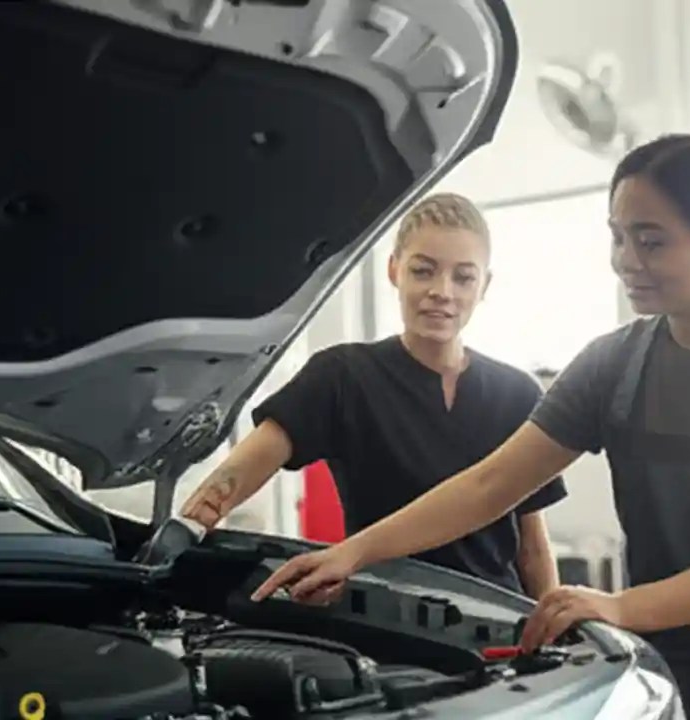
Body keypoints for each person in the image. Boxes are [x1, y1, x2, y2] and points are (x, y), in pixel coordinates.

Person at [251, 135, 690, 720]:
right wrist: (353, 552)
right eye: (618, 237)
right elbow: (490, 485)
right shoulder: (612, 363)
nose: (626, 261)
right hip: (664, 649)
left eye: (650, 242)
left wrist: (618, 605)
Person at [180, 192, 568, 599]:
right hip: (384, 623)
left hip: (496, 620)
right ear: (394, 270)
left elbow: (533, 547)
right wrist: (190, 524)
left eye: (463, 277)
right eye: (423, 271)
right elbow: (252, 460)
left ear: (484, 285)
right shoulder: (343, 377)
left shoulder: (518, 394)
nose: (442, 291)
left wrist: (555, 635)